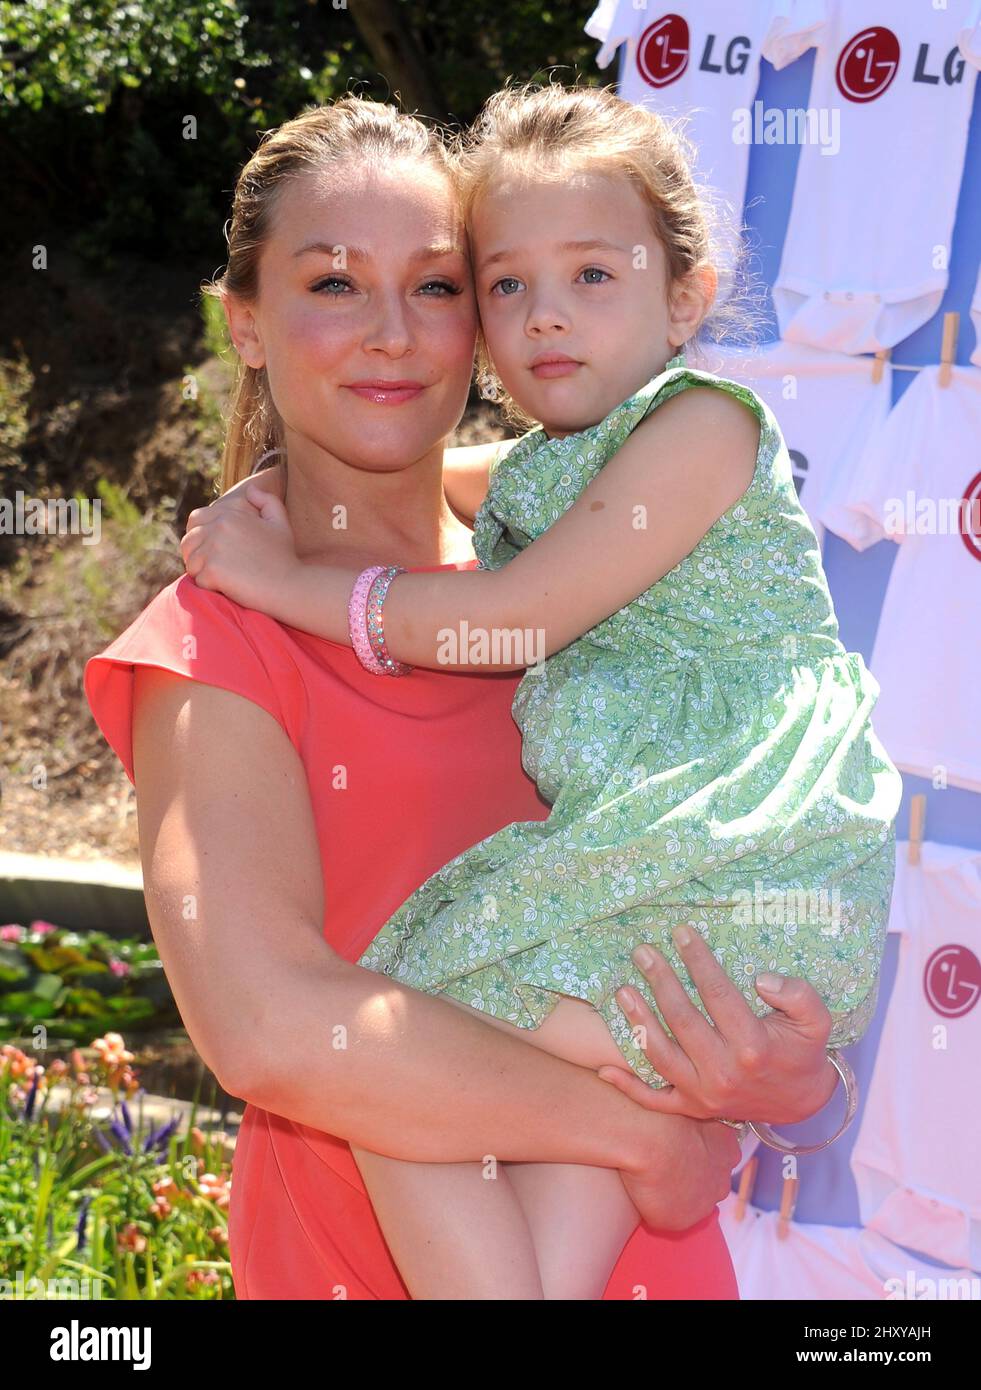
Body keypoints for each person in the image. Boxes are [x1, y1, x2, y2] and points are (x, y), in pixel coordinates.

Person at [86, 95, 845, 1303]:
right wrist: (650, 1138)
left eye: (437, 287)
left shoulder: (585, 573)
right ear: (246, 323)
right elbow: (273, 1029)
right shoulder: (213, 645)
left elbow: (742, 1028)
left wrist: (793, 1087)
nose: (393, 332)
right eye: (334, 284)